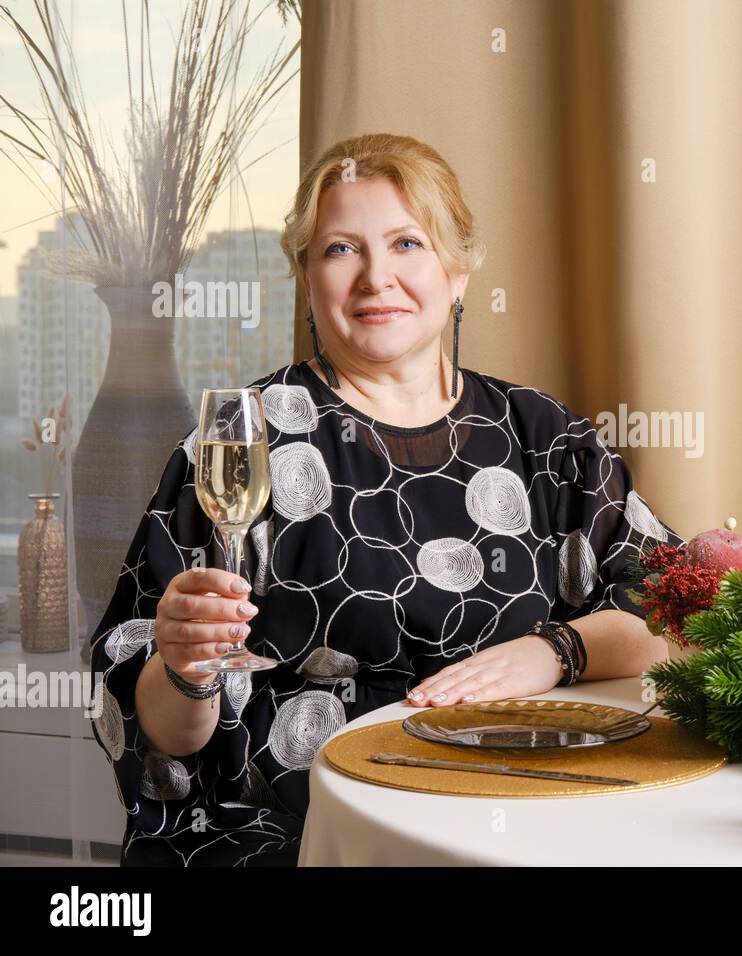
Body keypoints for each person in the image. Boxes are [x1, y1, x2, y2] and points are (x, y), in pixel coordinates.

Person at [87, 133, 683, 866]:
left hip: (515, 811)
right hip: (293, 831)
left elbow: (672, 608)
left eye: (407, 243)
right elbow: (164, 737)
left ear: (458, 272)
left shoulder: (546, 436)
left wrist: (555, 650)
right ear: (307, 277)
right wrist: (184, 667)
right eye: (341, 250)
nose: (376, 277)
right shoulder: (237, 442)